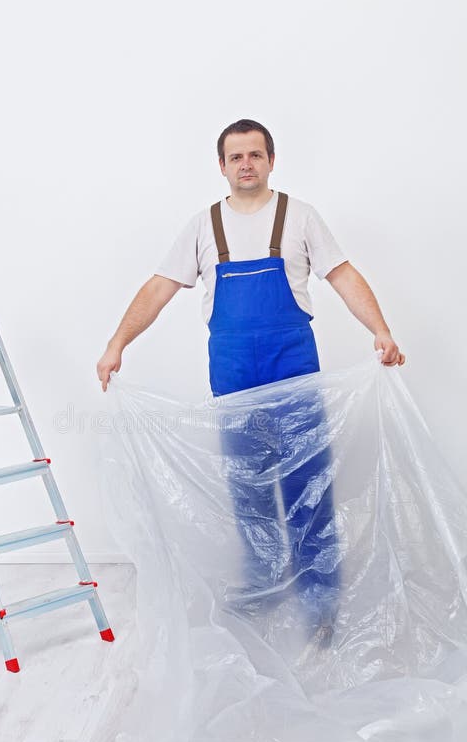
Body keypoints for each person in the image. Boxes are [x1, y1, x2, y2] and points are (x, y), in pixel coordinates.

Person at [96, 119, 405, 643]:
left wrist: (380, 329)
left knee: (308, 485)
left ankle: (320, 599)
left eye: (255, 155)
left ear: (270, 161)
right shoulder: (203, 225)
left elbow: (343, 275)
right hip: (235, 374)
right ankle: (264, 583)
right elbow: (159, 287)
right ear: (221, 166)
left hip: (294, 370)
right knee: (248, 486)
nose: (246, 164)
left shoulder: (300, 217)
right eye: (235, 156)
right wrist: (117, 343)